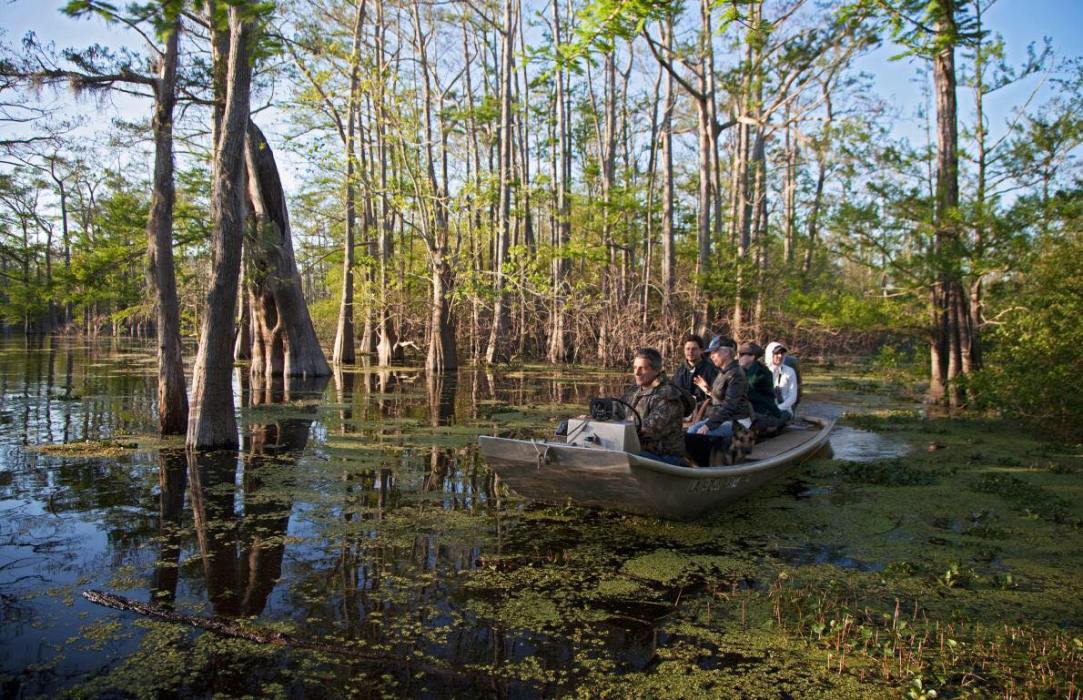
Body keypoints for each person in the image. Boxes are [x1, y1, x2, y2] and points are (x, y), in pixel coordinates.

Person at [614, 347, 688, 465]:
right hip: (640, 451)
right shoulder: (634, 391)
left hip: (665, 456)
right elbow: (616, 410)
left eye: (642, 368)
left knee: (620, 456)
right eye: (635, 368)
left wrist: (619, 428)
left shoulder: (668, 395)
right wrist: (594, 418)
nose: (636, 373)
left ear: (656, 370)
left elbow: (650, 428)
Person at [687, 337, 751, 440]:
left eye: (714, 352)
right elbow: (722, 398)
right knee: (691, 431)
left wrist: (708, 425)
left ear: (726, 352)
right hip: (723, 419)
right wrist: (708, 390)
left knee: (699, 436)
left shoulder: (736, 374)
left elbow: (730, 405)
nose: (711, 356)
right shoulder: (723, 372)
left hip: (737, 422)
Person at [671, 333, 719, 406]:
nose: (690, 352)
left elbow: (719, 397)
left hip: (705, 411)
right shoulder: (679, 372)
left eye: (694, 349)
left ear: (701, 350)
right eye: (687, 349)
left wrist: (707, 389)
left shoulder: (711, 369)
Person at [765, 341, 798, 422]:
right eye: (776, 353)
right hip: (765, 409)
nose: (780, 356)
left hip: (784, 409)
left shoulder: (790, 371)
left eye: (782, 353)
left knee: (776, 420)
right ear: (770, 354)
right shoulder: (762, 371)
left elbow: (793, 396)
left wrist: (778, 408)